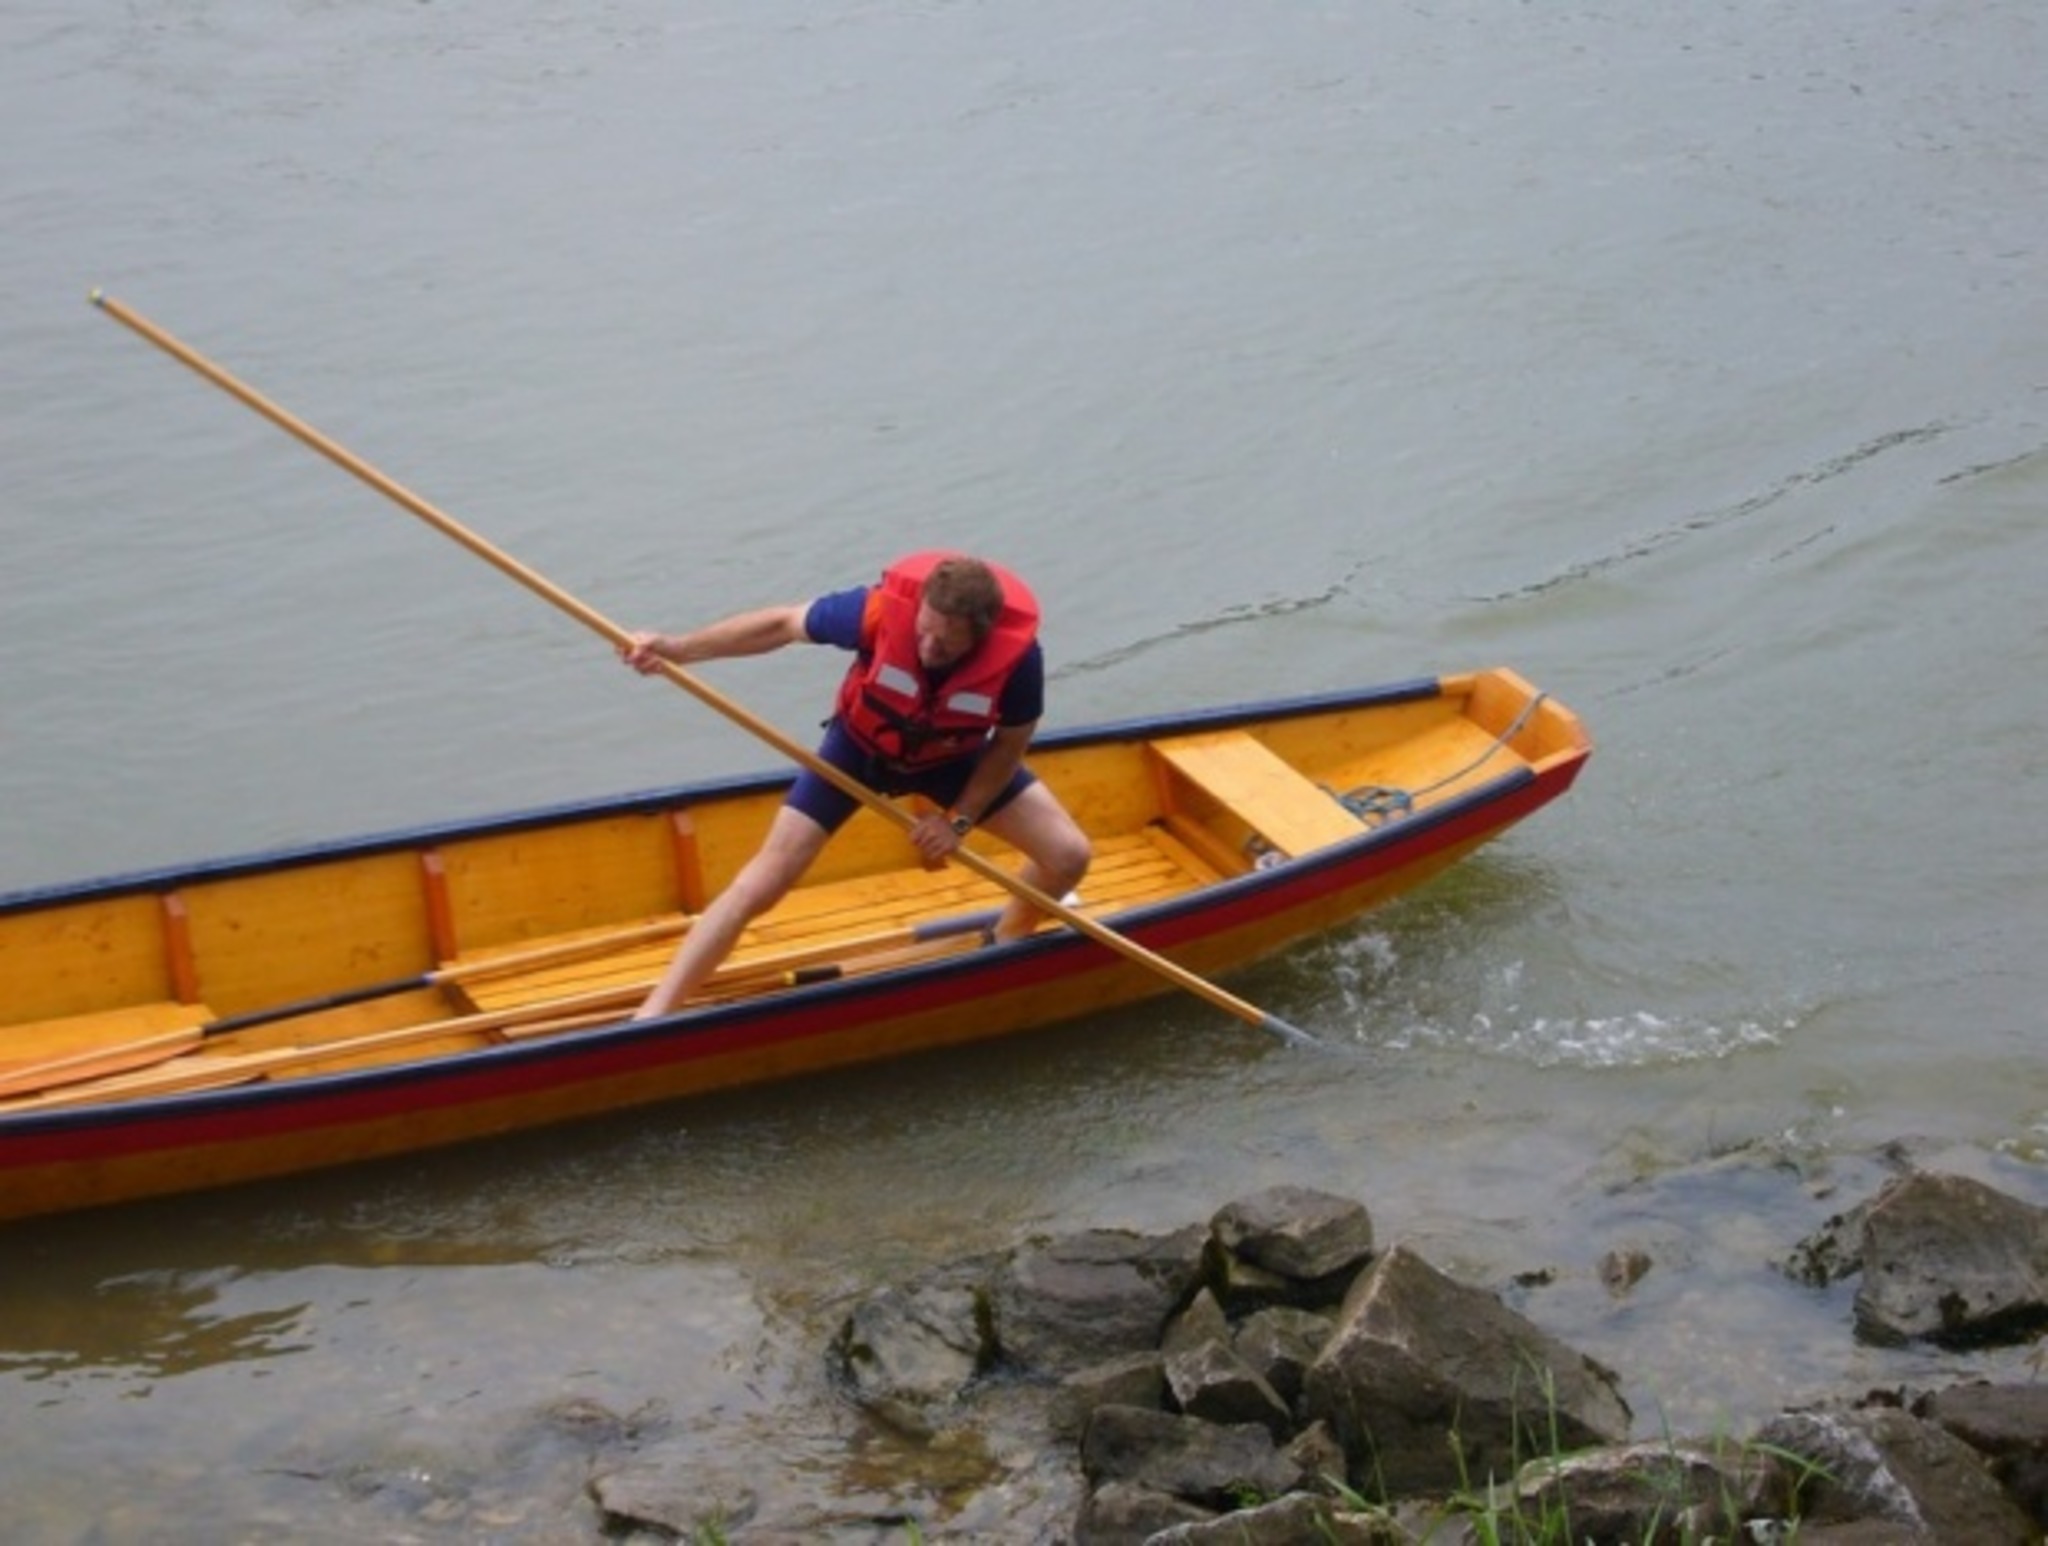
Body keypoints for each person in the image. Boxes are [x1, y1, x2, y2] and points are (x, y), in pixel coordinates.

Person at [620, 551, 1092, 1021]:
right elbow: (782, 624)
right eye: (923, 632)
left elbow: (1009, 747)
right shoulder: (878, 610)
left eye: (946, 645)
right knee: (761, 883)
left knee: (1069, 855)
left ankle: (1005, 941)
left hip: (952, 759)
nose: (928, 649)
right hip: (858, 749)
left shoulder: (1019, 660)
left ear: (981, 634)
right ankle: (655, 1016)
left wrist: (959, 821)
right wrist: (679, 649)